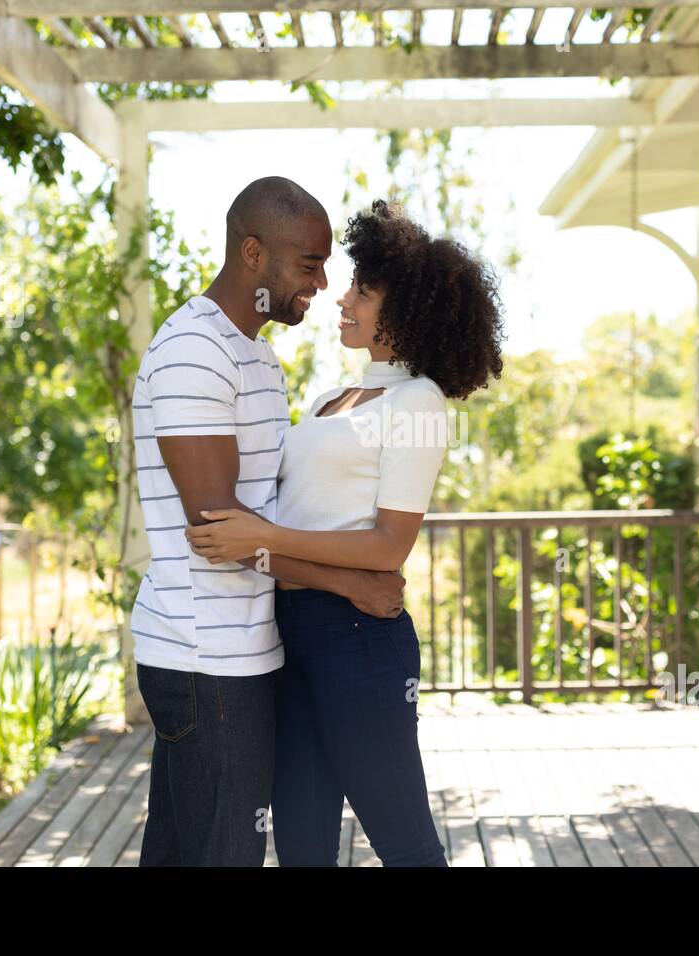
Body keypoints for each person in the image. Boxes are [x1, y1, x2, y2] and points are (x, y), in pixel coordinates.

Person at [186, 199, 505, 866]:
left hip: (359, 647)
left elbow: (390, 548)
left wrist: (261, 539)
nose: (342, 297)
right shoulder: (330, 400)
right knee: (302, 846)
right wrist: (262, 541)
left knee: (405, 842)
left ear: (408, 308)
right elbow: (295, 526)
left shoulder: (417, 403)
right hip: (293, 633)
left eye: (363, 288)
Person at [131, 178, 406, 867]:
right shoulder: (197, 351)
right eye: (308, 264)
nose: (322, 283)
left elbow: (264, 516)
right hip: (207, 659)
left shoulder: (254, 355)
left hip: (241, 650)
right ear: (253, 253)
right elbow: (219, 531)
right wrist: (348, 584)